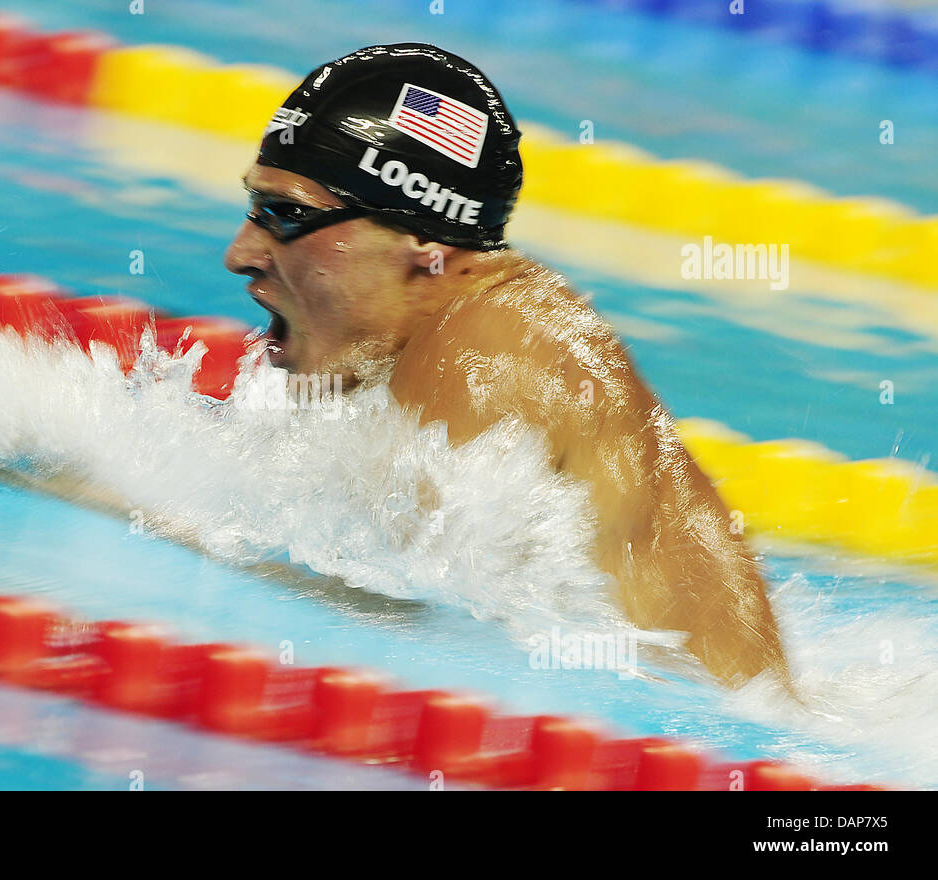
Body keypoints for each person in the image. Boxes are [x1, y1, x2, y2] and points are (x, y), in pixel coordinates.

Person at [223, 43, 790, 689]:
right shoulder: (482, 327)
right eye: (254, 208)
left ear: (422, 241)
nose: (240, 254)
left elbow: (405, 629)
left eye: (287, 215)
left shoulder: (480, 356)